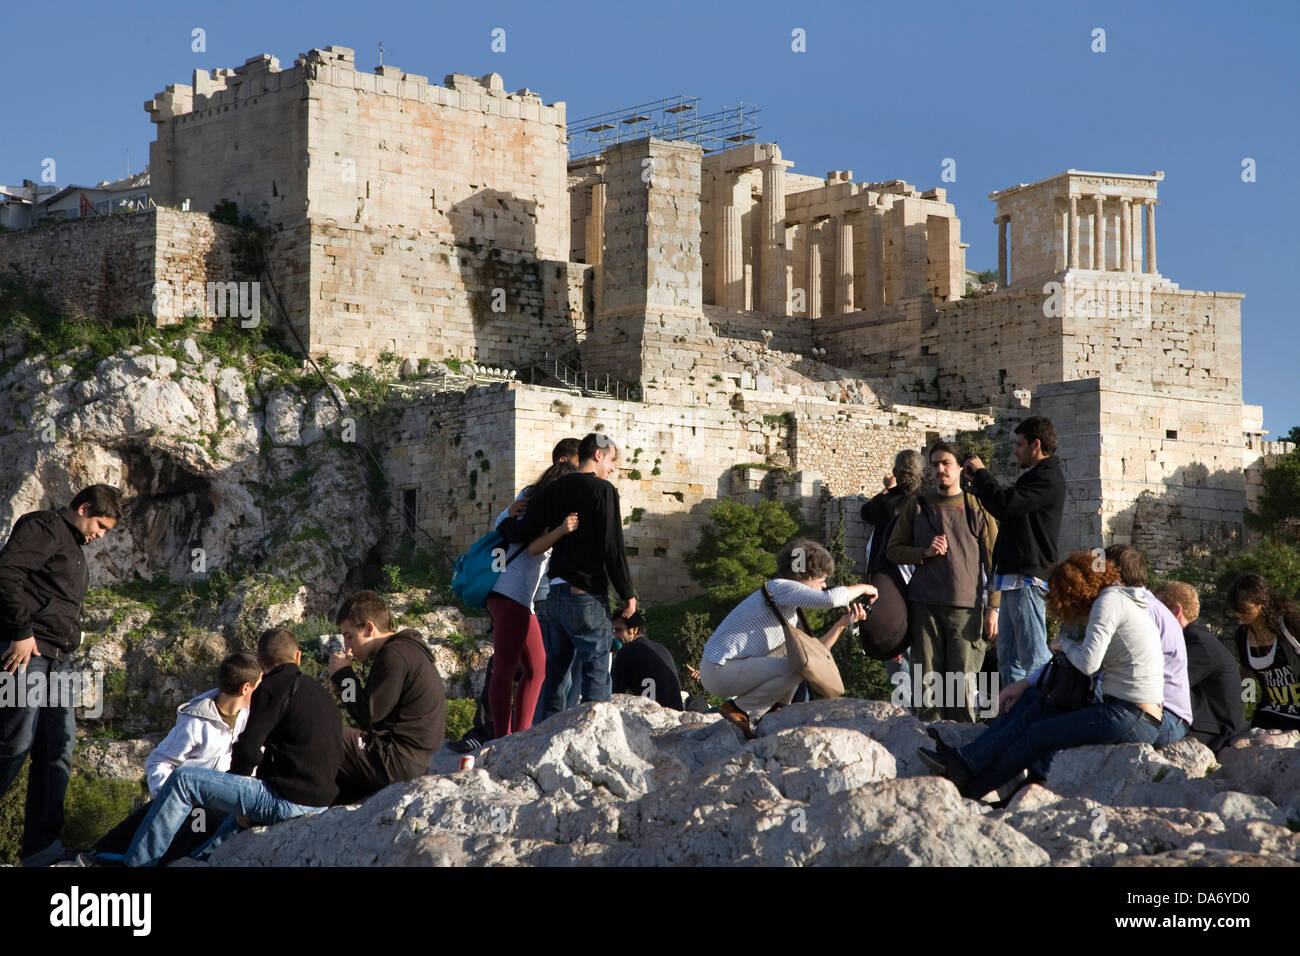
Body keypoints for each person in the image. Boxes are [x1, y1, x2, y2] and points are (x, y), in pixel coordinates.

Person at [918, 550, 1164, 800]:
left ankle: (971, 790)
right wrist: (1028, 683)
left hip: (1131, 716)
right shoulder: (1119, 599)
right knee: (1036, 706)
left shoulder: (1109, 601)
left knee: (1039, 734)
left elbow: (1089, 663)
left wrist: (1063, 644)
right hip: (1128, 711)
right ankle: (965, 763)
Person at [123, 627, 343, 866]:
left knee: (183, 780)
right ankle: (201, 860)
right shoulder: (318, 691)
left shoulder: (270, 688)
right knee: (235, 819)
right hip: (321, 803)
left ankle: (137, 863)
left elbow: (248, 749)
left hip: (288, 800)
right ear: (298, 657)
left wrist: (234, 790)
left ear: (259, 663)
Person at [0, 483, 122, 866]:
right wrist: (21, 632)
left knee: (58, 752)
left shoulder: (76, 548)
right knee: (11, 746)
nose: (102, 535)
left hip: (59, 661)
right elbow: (6, 573)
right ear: (83, 508)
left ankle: (41, 849)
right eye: (101, 525)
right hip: (29, 655)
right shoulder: (44, 527)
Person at [80, 651, 262, 865]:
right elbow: (159, 762)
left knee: (193, 822)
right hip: (195, 803)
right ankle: (102, 855)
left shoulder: (254, 718)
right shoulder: (196, 722)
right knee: (177, 817)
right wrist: (171, 797)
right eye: (259, 684)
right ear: (246, 688)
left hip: (230, 803)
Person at [508, 432, 636, 718]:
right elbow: (613, 546)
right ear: (598, 455)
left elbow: (524, 532)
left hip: (554, 594)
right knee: (597, 667)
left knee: (556, 673)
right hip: (586, 594)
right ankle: (596, 732)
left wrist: (505, 520)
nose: (612, 469)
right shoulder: (603, 491)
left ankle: (545, 733)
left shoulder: (553, 489)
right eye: (612, 460)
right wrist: (627, 593)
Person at [699, 539, 875, 738]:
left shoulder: (788, 607)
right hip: (719, 669)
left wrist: (842, 623)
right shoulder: (780, 587)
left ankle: (775, 712)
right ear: (804, 574)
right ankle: (739, 710)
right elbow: (830, 599)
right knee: (797, 666)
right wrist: (866, 588)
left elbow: (814, 655)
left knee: (802, 664)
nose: (825, 584)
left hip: (728, 670)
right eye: (822, 578)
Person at [886, 441, 999, 721]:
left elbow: (995, 561)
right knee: (927, 685)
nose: (939, 469)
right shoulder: (917, 506)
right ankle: (927, 745)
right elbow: (893, 550)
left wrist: (994, 609)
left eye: (945, 463)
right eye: (935, 464)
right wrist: (922, 552)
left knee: (962, 685)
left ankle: (962, 749)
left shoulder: (976, 507)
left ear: (960, 467)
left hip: (966, 609)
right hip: (924, 606)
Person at [963, 416, 1065, 690]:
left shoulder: (1047, 478)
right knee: (1008, 660)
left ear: (1037, 444)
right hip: (1012, 579)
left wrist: (983, 475)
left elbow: (1006, 504)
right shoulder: (1034, 477)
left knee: (1035, 658)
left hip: (1028, 579)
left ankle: (1044, 716)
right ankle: (1014, 715)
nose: (1015, 450)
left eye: (1020, 444)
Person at [484, 459, 578, 738]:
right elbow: (532, 546)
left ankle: (519, 732)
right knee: (505, 667)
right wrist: (561, 530)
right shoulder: (537, 502)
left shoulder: (531, 497)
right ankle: (503, 736)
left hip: (520, 597)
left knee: (537, 667)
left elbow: (506, 526)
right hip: (509, 592)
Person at [328, 591, 446, 803]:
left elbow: (369, 713)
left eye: (349, 636)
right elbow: (371, 712)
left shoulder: (394, 655)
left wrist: (344, 675)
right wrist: (345, 687)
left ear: (369, 628)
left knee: (327, 734)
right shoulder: (403, 649)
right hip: (414, 759)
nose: (348, 647)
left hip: (400, 760)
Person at [1104, 545, 1192, 747]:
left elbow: (1098, 662)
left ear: (1114, 576)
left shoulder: (1143, 610)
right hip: (1153, 711)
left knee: (1054, 725)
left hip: (1163, 716)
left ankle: (1041, 776)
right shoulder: (1143, 606)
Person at [861, 449, 924, 707]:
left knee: (897, 656)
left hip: (889, 586)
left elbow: (866, 512)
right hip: (921, 586)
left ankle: (904, 712)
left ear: (897, 473)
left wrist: (888, 489)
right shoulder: (927, 504)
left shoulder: (889, 504)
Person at [1153, 581, 1248, 752]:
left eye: (1157, 611)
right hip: (1206, 724)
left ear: (1176, 611)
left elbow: (1165, 683)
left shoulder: (1197, 642)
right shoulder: (1193, 638)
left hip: (1215, 730)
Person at [1226, 573, 1300, 732]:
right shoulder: (1242, 635)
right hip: (1270, 712)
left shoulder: (1290, 624)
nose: (1239, 614)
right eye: (1235, 609)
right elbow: (1247, 671)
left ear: (1262, 603)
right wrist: (1246, 703)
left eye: (1245, 609)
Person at [610, 611, 683, 710]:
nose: (614, 636)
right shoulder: (660, 648)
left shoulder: (626, 652)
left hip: (652, 715)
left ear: (634, 630)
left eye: (618, 630)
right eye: (613, 631)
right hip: (676, 713)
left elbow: (614, 695)